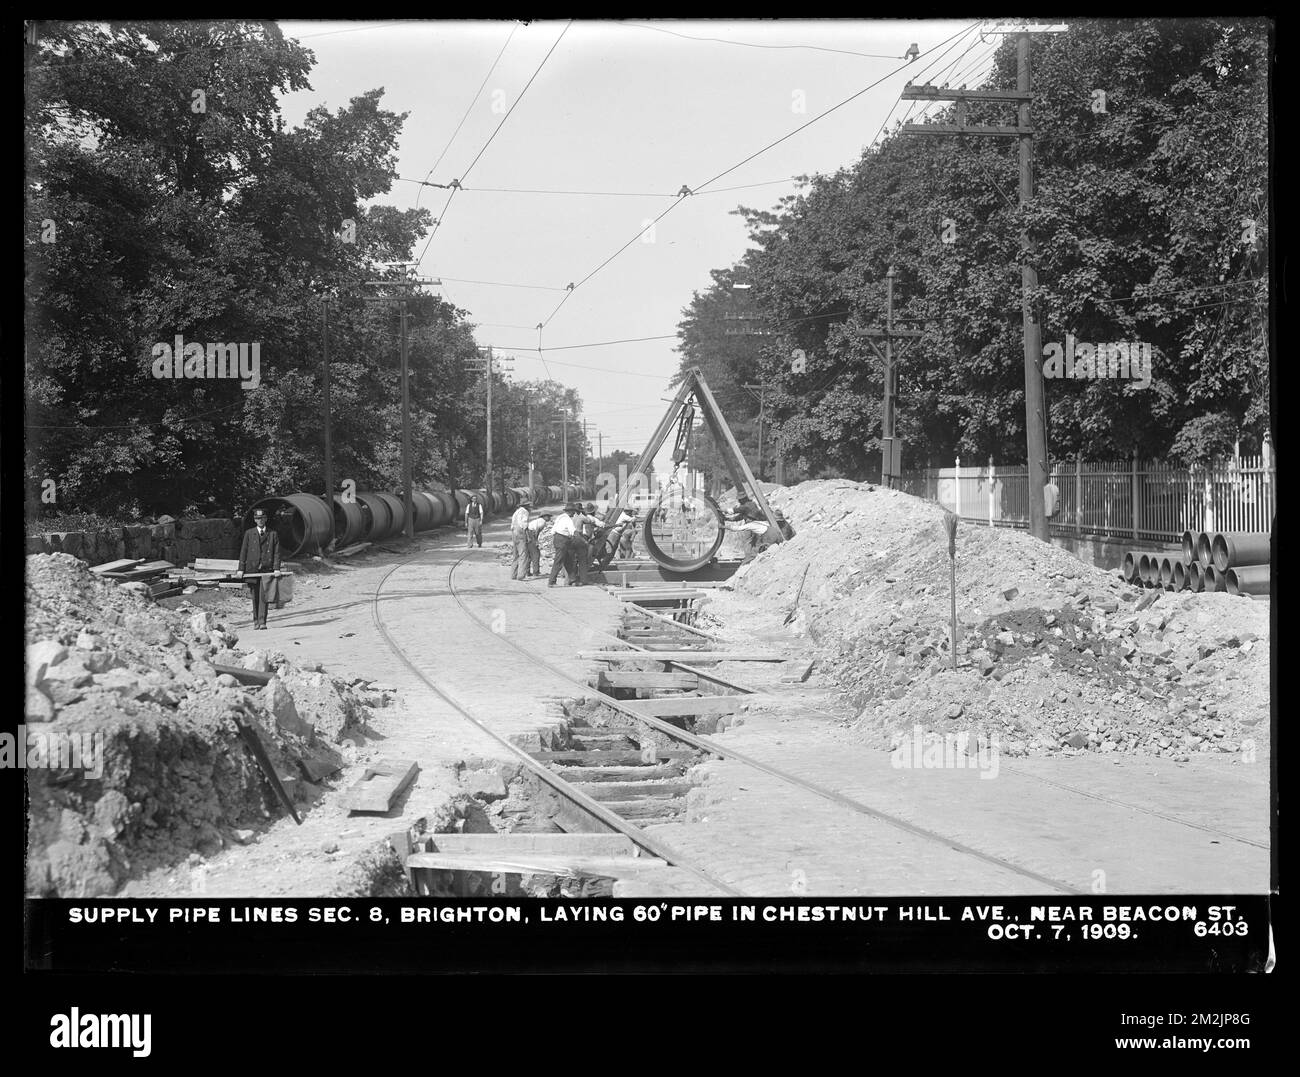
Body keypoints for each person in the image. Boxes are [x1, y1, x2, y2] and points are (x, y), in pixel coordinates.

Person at [238, 507, 281, 630]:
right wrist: (241, 568)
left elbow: (277, 553)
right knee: (255, 596)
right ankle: (256, 621)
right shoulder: (249, 533)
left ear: (266, 519)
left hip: (266, 569)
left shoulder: (273, 534)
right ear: (254, 520)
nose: (260, 520)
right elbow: (244, 551)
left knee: (264, 596)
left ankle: (262, 622)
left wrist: (276, 568)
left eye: (262, 518)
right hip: (252, 569)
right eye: (257, 518)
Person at [547, 504, 577, 587]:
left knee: (568, 560)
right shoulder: (568, 520)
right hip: (563, 540)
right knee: (559, 561)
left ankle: (572, 579)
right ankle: (551, 581)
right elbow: (572, 531)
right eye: (573, 512)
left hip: (557, 538)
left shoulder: (560, 517)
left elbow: (553, 531)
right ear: (570, 511)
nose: (574, 514)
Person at [525, 512, 552, 577]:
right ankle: (535, 571)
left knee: (529, 555)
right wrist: (536, 541)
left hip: (527, 534)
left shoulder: (537, 521)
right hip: (531, 534)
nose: (549, 518)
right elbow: (537, 531)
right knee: (536, 554)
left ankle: (527, 571)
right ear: (544, 516)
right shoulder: (542, 522)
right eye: (548, 516)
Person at [509, 500, 530, 579]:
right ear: (526, 506)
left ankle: (513, 574)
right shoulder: (525, 512)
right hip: (520, 533)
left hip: (514, 533)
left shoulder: (516, 512)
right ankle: (521, 575)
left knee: (515, 555)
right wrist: (528, 536)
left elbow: (512, 525)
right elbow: (524, 525)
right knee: (523, 555)